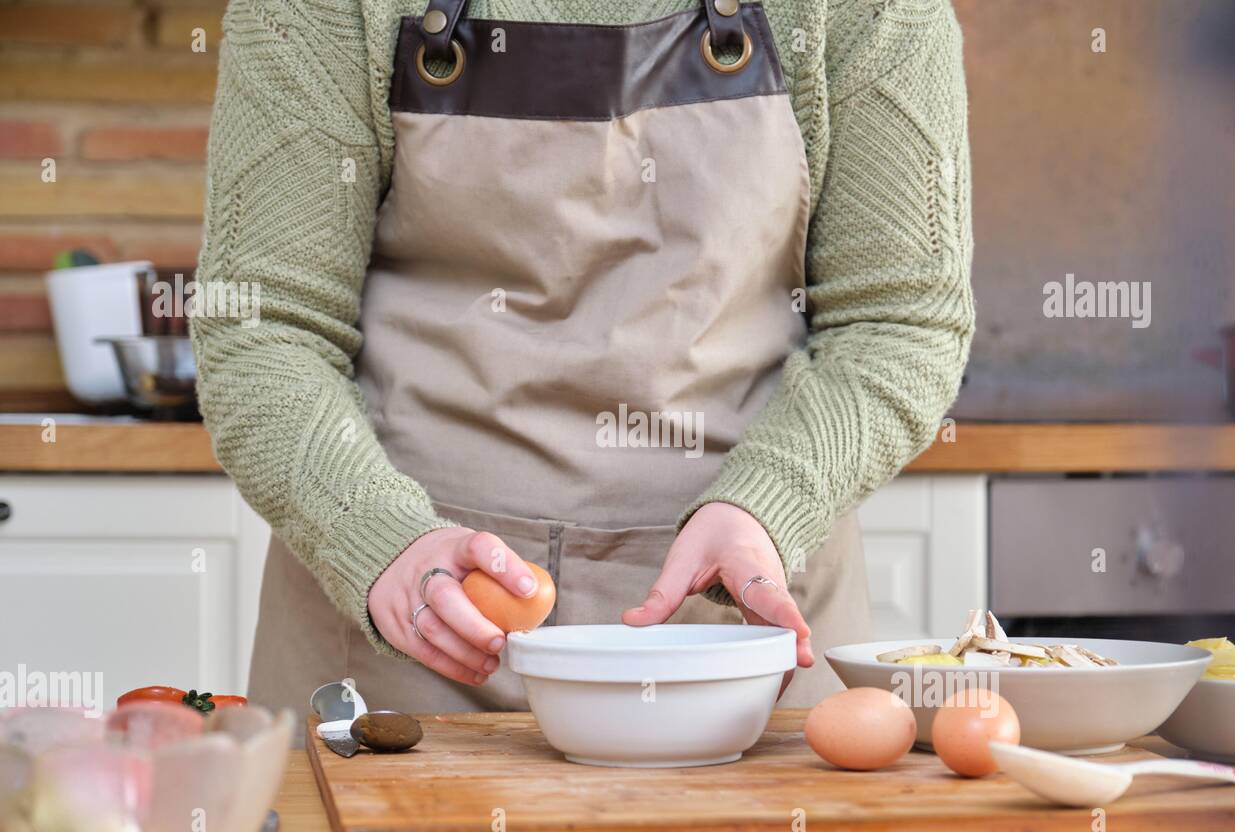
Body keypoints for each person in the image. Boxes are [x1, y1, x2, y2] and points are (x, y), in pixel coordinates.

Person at [191, 0, 975, 715]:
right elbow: (262, 324)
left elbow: (900, 318)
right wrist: (376, 537)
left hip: (739, 636)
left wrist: (771, 505)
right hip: (409, 632)